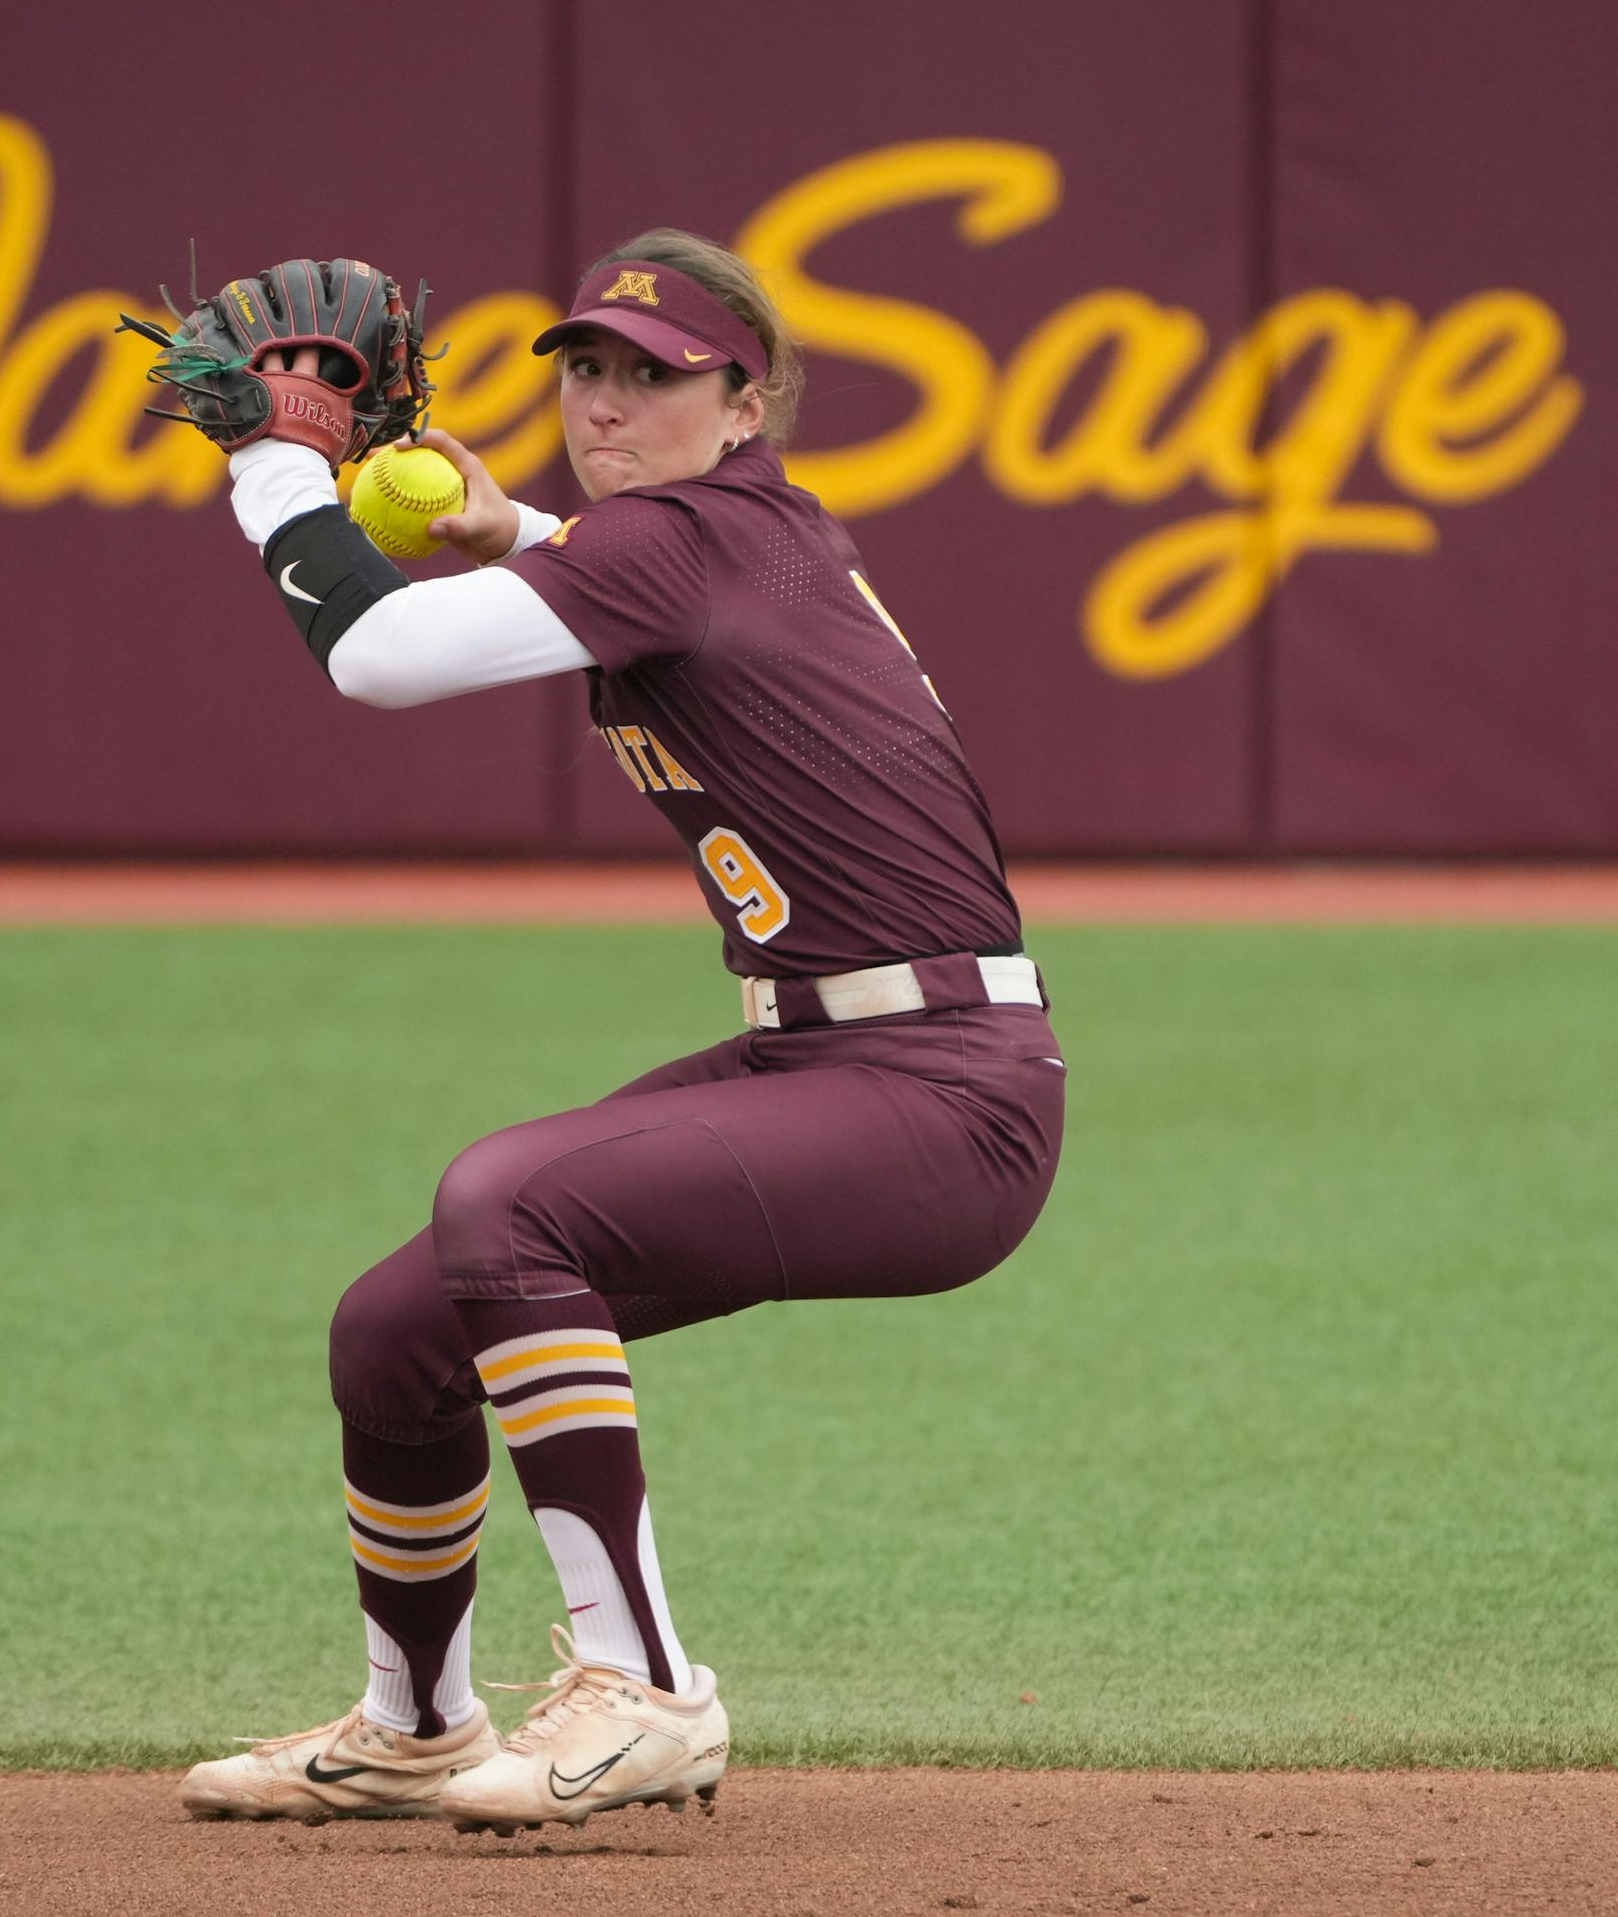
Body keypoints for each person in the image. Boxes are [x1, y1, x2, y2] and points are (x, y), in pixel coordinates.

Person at [177, 231, 1065, 1832]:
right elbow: (643, 582)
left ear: (747, 402)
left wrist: (272, 468)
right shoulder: (727, 532)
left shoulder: (685, 536)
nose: (605, 398)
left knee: (506, 1200)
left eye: (653, 373)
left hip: (939, 1097)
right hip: (838, 1056)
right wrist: (511, 524)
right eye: (584, 368)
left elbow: (377, 660)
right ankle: (418, 1724)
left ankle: (646, 1688)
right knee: (395, 1333)